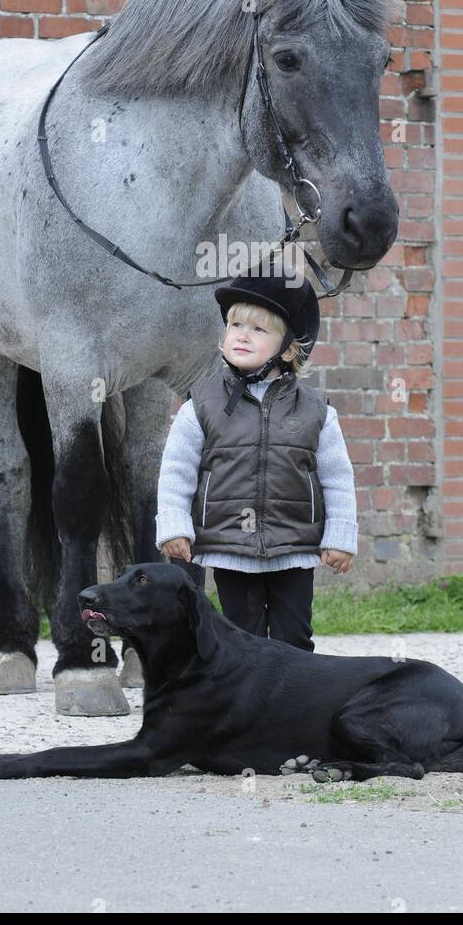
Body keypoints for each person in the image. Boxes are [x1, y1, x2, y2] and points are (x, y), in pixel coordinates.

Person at [155, 271, 357, 651]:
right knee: (240, 640)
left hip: (293, 549)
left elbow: (337, 478)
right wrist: (174, 526)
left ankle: (292, 707)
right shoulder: (200, 405)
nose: (242, 335)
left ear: (289, 349)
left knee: (294, 638)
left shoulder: (315, 411)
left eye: (258, 329)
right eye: (234, 325)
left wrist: (341, 537)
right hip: (231, 548)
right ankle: (246, 709)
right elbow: (176, 472)